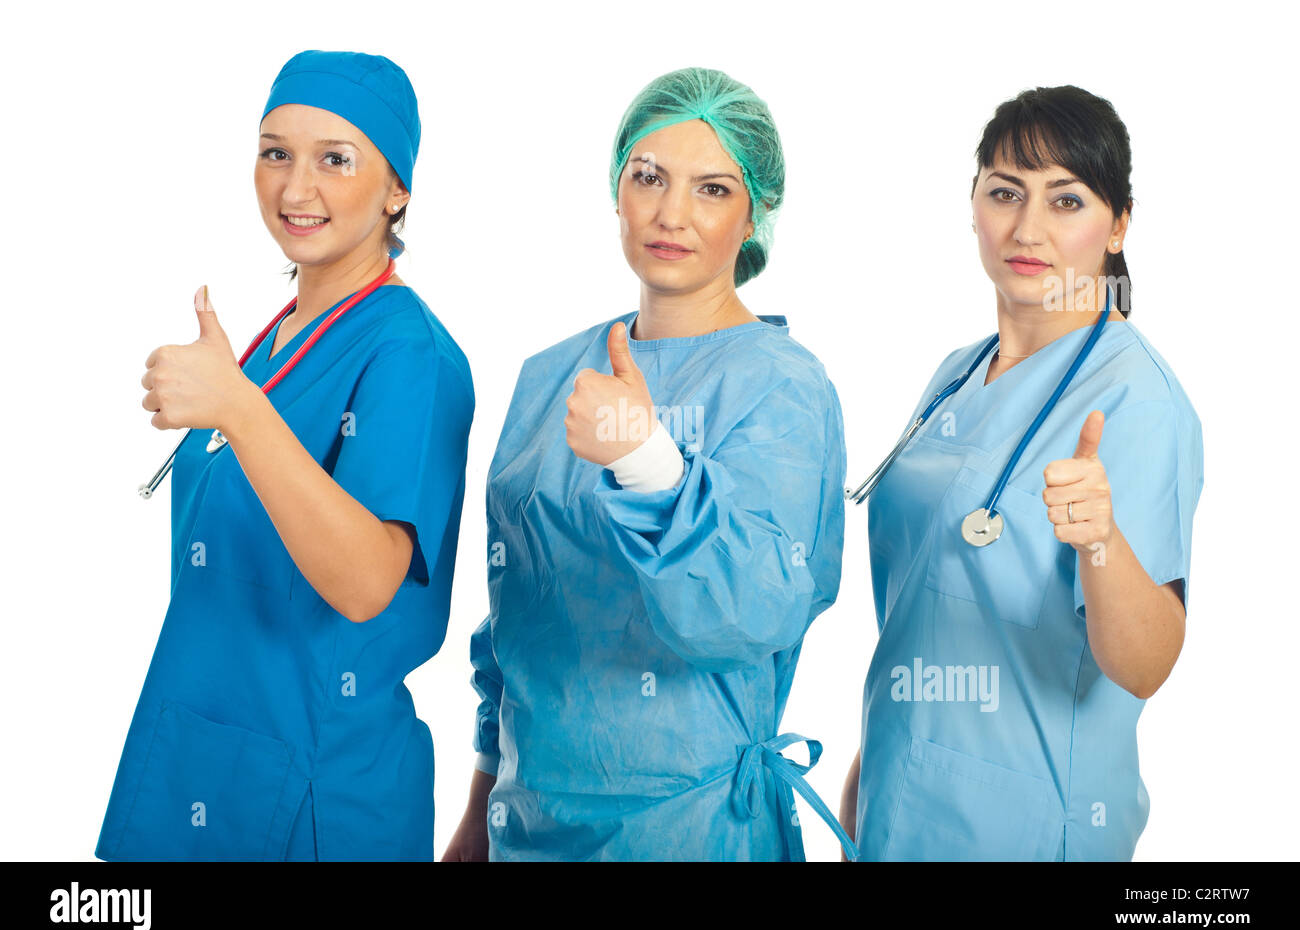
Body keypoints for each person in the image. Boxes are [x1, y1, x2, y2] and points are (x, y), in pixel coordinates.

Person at [442, 67, 855, 861]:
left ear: (754, 215)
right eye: (650, 178)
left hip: (691, 827)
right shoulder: (551, 374)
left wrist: (650, 461)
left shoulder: (781, 386)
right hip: (528, 823)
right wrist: (479, 805)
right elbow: (517, 620)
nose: (671, 213)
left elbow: (756, 610)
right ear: (617, 190)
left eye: (711, 189)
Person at [95, 50, 474, 861]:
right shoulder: (271, 343)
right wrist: (237, 392)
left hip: (316, 789)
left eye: (336, 160)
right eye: (276, 153)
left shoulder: (411, 357)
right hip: (199, 753)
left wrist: (237, 407)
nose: (296, 189)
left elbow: (371, 580)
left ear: (397, 188)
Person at [839, 85, 1203, 861]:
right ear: (973, 204)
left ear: (1120, 225)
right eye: (1005, 192)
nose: (1027, 228)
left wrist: (1100, 541)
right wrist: (875, 764)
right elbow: (926, 601)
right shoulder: (955, 372)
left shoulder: (1135, 400)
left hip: (1030, 823)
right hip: (900, 801)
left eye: (1066, 201)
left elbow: (1145, 664)